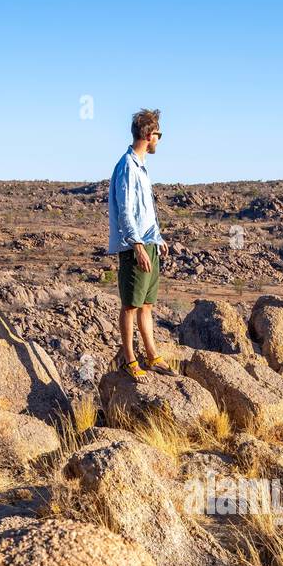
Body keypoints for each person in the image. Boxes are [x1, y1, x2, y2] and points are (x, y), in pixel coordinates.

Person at [107, 108, 176, 380]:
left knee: (146, 305)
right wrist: (136, 245)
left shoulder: (141, 167)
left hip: (149, 243)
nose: (160, 139)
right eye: (159, 134)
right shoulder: (127, 166)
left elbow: (145, 210)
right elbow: (125, 209)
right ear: (149, 134)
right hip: (134, 246)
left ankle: (152, 356)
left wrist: (157, 238)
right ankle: (129, 360)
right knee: (130, 306)